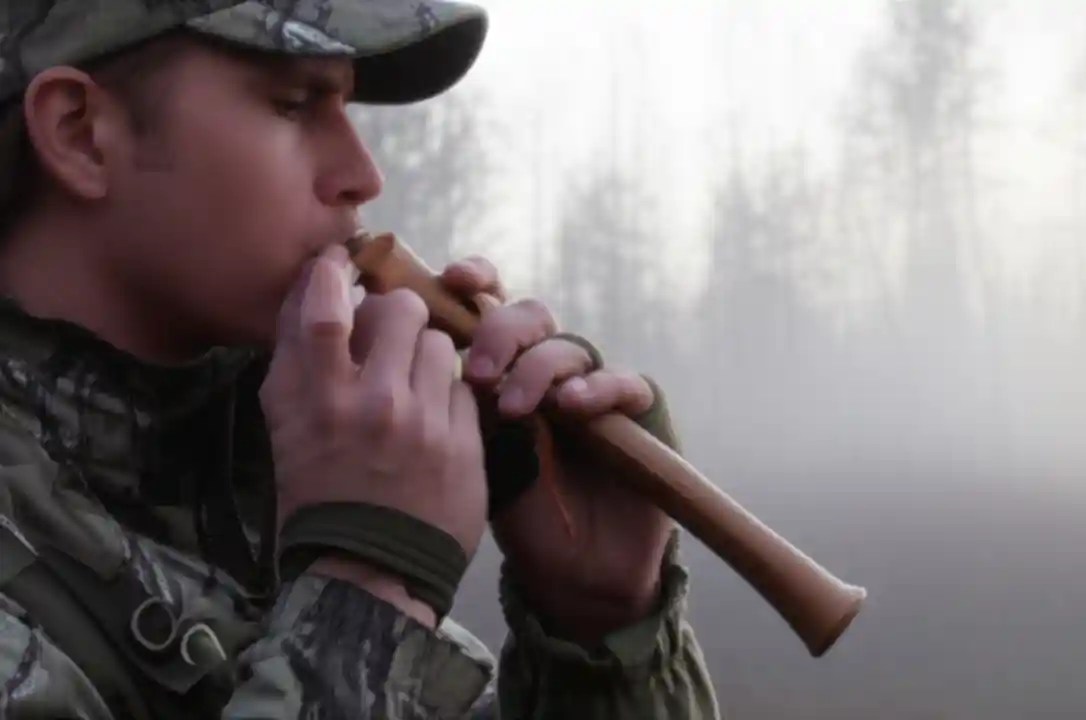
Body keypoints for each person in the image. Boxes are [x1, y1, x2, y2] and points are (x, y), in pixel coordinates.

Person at [0, 1, 721, 717]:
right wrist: (370, 582)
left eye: (344, 104)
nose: (363, 173)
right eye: (293, 104)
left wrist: (601, 639)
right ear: (82, 133)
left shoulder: (277, 488)